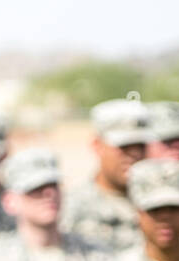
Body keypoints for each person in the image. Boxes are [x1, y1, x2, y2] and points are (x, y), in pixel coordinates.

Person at [60, 98, 153, 252]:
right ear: (97, 146)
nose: (134, 154)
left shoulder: (162, 203)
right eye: (124, 147)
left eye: (140, 146)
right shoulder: (70, 208)